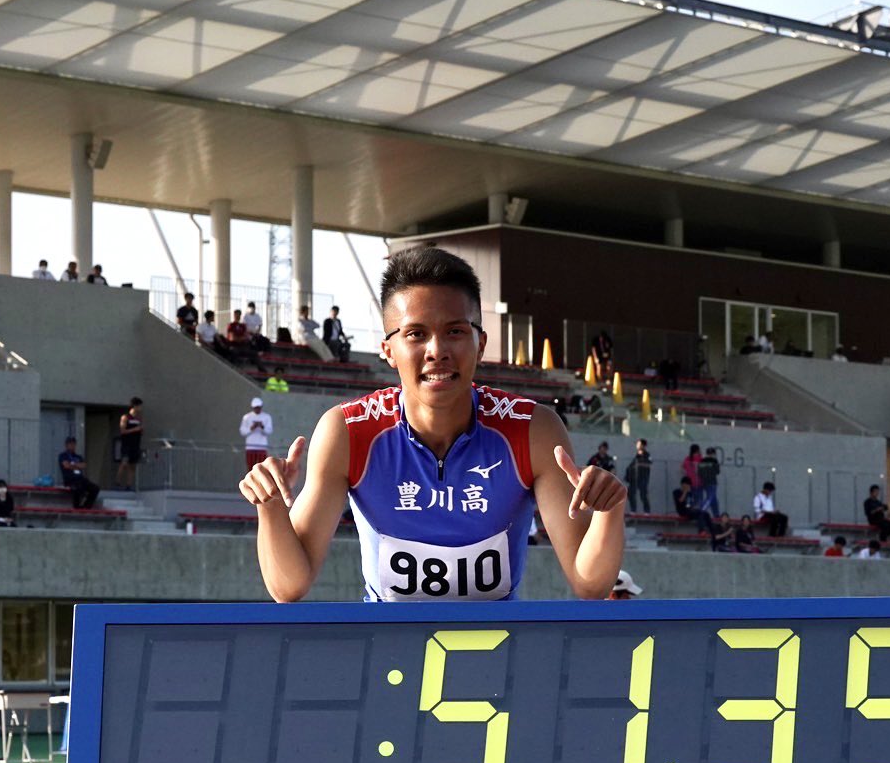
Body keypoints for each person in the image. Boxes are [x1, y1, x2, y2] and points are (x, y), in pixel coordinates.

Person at [237, 246, 625, 601]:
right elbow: (289, 586)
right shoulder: (348, 432)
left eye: (455, 331)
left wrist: (609, 513)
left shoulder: (533, 430)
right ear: (389, 350)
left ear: (481, 343)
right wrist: (270, 506)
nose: (437, 351)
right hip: (388, 660)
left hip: (500, 656)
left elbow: (589, 584)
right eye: (416, 334)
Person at [59, 436, 101, 509]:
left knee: (95, 488)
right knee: (78, 488)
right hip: (70, 479)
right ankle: (77, 507)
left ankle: (86, 506)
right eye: (70, 444)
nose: (72, 446)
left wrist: (72, 465)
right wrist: (76, 465)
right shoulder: (63, 455)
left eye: (73, 444)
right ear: (66, 445)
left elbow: (83, 465)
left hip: (80, 478)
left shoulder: (78, 457)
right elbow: (66, 466)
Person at [116, 397, 144, 491]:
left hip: (135, 445)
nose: (141, 408)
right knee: (124, 463)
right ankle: (118, 482)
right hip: (127, 444)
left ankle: (129, 485)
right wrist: (134, 429)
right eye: (139, 406)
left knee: (132, 466)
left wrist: (141, 430)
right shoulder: (125, 417)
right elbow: (122, 431)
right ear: (135, 406)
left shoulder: (139, 419)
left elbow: (140, 431)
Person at [240, 396, 273, 471]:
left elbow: (269, 431)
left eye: (259, 407)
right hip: (250, 447)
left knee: (262, 469)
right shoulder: (247, 417)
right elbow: (242, 432)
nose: (257, 409)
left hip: (261, 447)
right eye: (256, 407)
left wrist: (262, 427)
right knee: (251, 469)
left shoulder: (266, 417)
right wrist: (251, 428)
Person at [623, 439, 651, 513]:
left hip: (643, 478)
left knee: (643, 495)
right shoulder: (637, 455)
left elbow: (649, 464)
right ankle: (633, 510)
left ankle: (647, 512)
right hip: (634, 479)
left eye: (639, 444)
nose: (637, 445)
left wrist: (639, 465)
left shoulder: (647, 455)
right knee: (631, 493)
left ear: (643, 445)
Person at [697, 446, 721, 516]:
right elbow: (717, 471)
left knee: (713, 499)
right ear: (713, 453)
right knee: (710, 498)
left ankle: (716, 515)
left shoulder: (702, 461)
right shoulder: (714, 461)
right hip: (712, 482)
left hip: (704, 482)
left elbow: (699, 472)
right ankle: (702, 510)